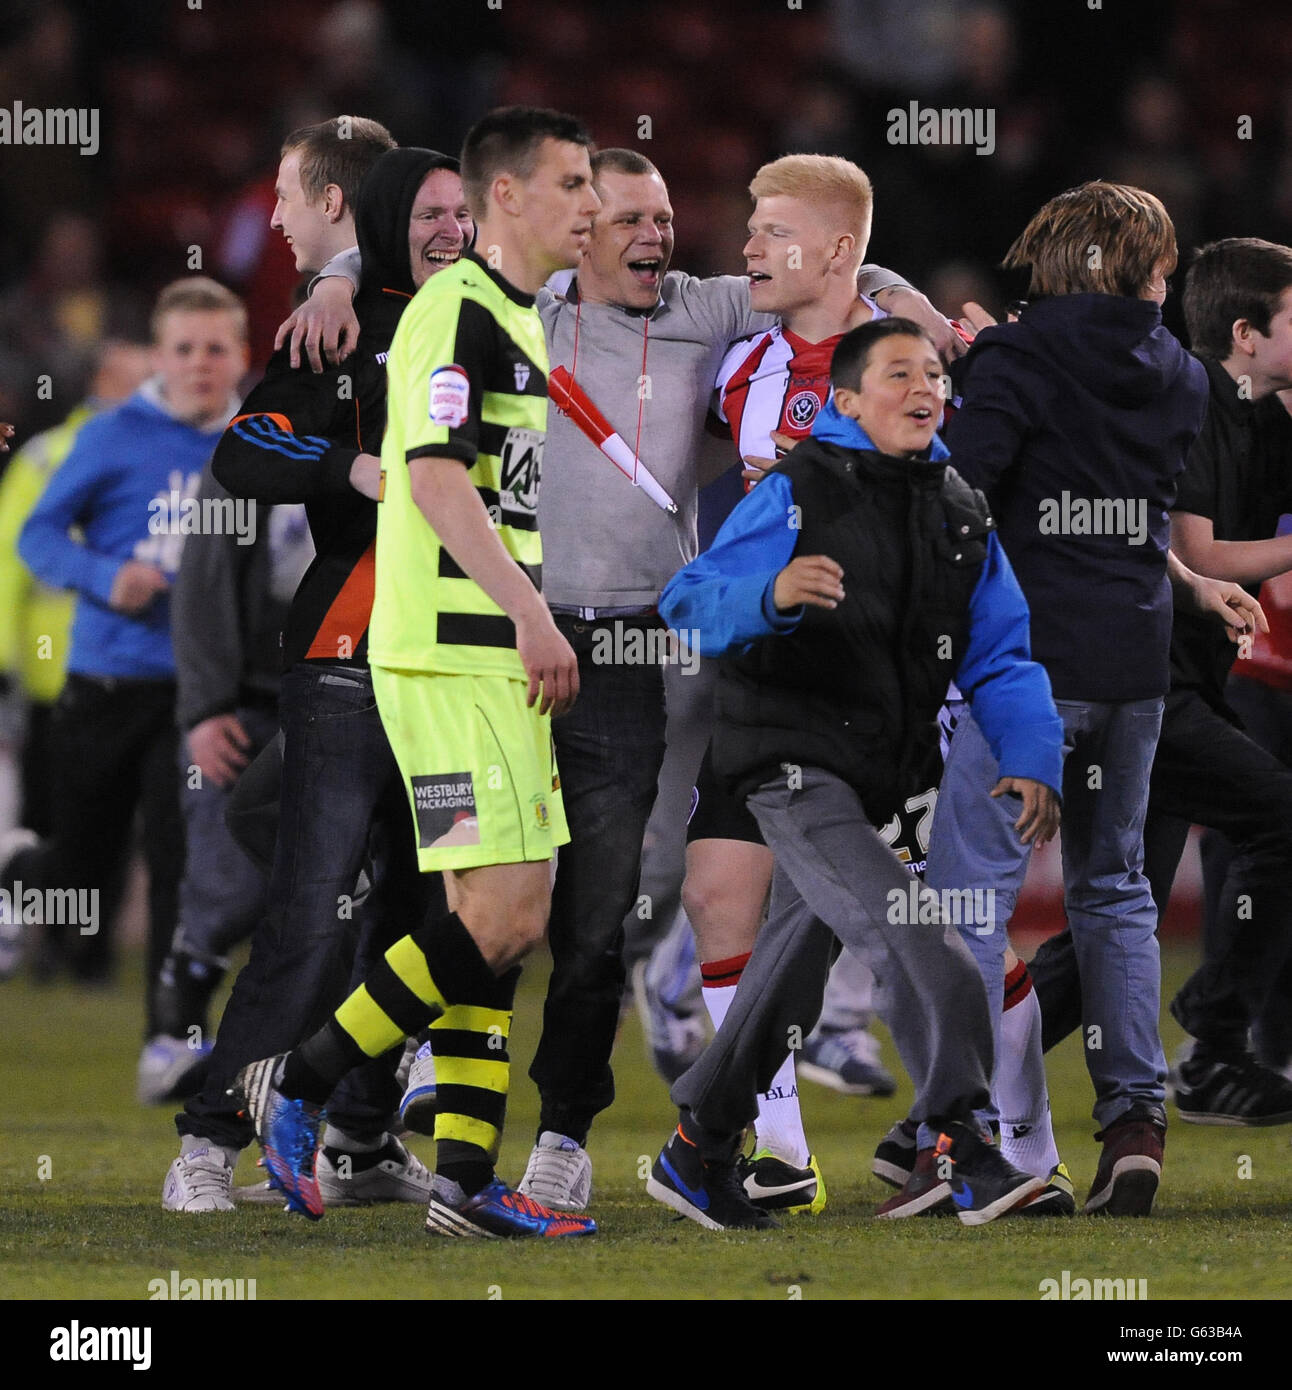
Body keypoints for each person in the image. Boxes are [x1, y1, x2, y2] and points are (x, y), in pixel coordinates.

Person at [286, 147, 941, 1215]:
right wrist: (335, 274)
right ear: (575, 227)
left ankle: (558, 1134)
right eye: (623, 214)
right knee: (469, 903)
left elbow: (838, 269)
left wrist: (920, 317)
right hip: (496, 651)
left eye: (663, 215)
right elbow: (432, 252)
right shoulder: (515, 307)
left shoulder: (704, 310)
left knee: (594, 919)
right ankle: (416, 1134)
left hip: (626, 659)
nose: (653, 235)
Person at [234, 106, 604, 1241]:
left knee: (486, 921)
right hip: (452, 657)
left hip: (477, 654)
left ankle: (462, 1178)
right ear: (509, 196)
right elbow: (435, 479)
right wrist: (534, 616)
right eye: (574, 182)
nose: (590, 204)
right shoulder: (459, 311)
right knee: (501, 915)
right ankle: (295, 1084)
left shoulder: (511, 317)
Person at [647, 317, 1062, 1230]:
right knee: (932, 951)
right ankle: (961, 1141)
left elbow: (1000, 655)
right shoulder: (799, 488)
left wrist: (1033, 756)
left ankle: (695, 1150)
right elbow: (689, 600)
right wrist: (770, 594)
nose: (925, 388)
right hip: (790, 764)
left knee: (789, 979)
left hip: (881, 777)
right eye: (899, 374)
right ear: (844, 401)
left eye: (933, 374)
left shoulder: (958, 504)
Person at [921, 184, 1263, 1217]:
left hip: (1023, 670)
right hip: (1132, 668)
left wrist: (978, 370)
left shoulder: (1019, 359)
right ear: (1141, 270)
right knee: (1113, 892)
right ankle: (1131, 1122)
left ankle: (972, 1135)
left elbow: (961, 494)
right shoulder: (1176, 371)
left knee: (969, 899)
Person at [163, 121, 472, 1215]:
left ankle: (358, 1137)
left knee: (427, 920)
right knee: (309, 911)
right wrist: (361, 469)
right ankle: (208, 1138)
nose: (450, 227)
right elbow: (241, 451)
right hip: (349, 659)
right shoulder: (341, 330)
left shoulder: (505, 328)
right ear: (389, 219)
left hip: (466, 673)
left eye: (461, 209)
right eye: (426, 211)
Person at [1027, 237, 1292, 1124]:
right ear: (1248, 334)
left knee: (1111, 920)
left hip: (1172, 683)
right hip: (1142, 682)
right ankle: (1212, 1043)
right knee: (1279, 820)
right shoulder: (1198, 402)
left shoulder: (1258, 413)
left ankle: (947, 1112)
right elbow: (1200, 553)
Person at [10, 278, 248, 1003]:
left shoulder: (261, 442)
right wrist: (105, 576)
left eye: (216, 348)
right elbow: (35, 535)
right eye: (183, 348)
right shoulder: (109, 436)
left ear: (241, 356)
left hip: (199, 691)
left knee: (184, 858)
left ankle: (170, 1033)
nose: (200, 363)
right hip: (107, 677)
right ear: (158, 358)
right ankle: (22, 874)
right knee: (85, 863)